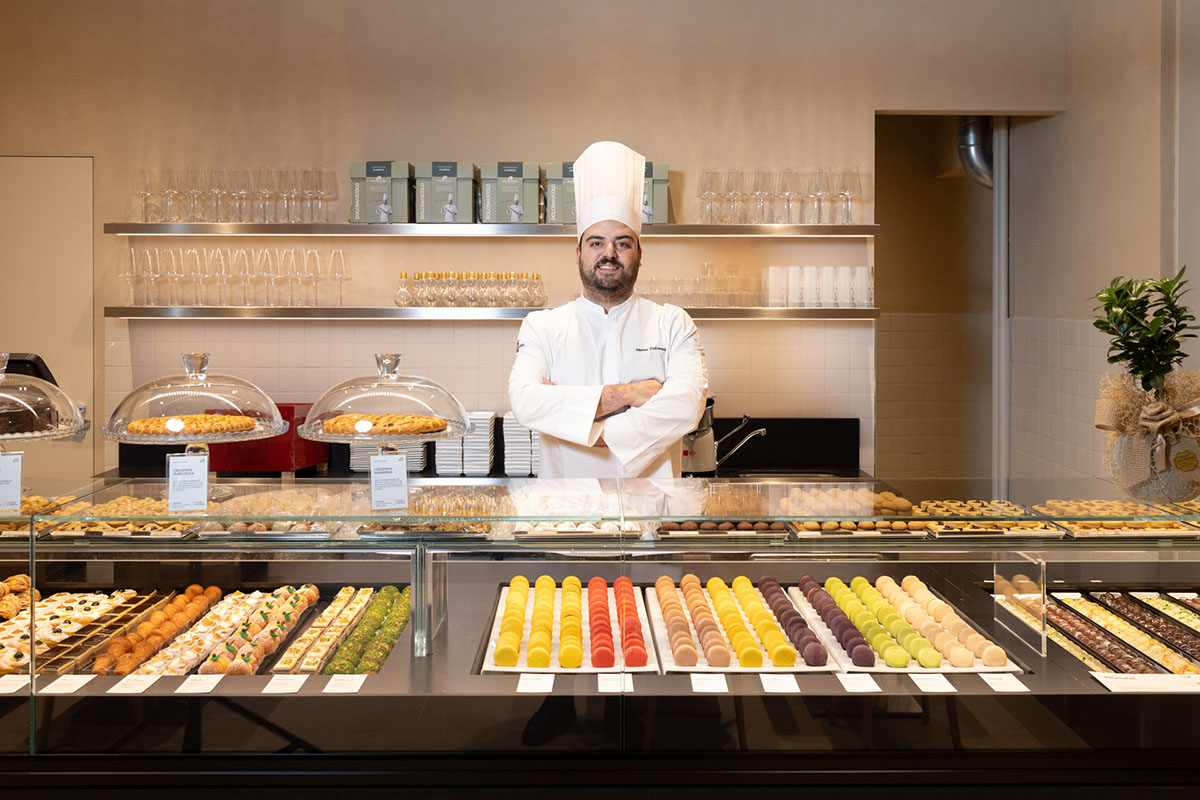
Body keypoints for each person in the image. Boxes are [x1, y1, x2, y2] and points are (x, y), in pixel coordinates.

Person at [508, 141, 708, 479]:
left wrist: (587, 427)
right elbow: (525, 401)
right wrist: (629, 394)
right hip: (566, 515)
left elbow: (686, 407)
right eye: (596, 242)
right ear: (578, 253)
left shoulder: (674, 324)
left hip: (651, 514)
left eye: (623, 243)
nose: (609, 253)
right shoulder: (542, 326)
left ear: (640, 254)